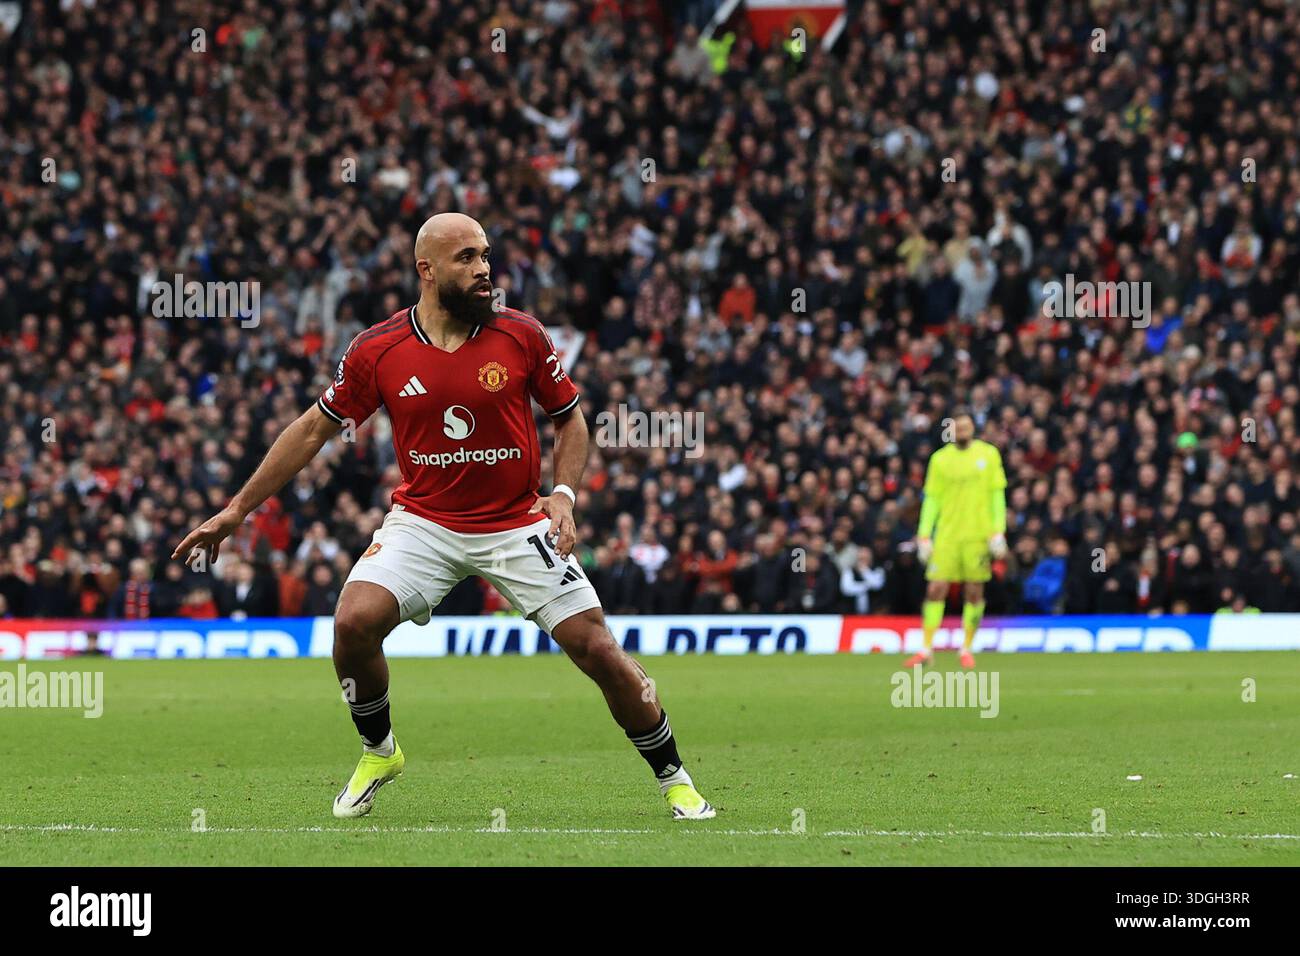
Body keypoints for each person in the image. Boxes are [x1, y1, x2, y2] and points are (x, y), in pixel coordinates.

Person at [173, 213, 713, 821]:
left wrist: (563, 494)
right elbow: (313, 429)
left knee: (597, 649)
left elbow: (570, 417)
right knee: (352, 624)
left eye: (485, 255)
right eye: (466, 258)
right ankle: (380, 751)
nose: (483, 269)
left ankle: (675, 777)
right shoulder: (378, 349)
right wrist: (236, 510)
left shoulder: (522, 336)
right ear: (426, 270)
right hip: (425, 523)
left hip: (514, 522)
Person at [907, 407, 1007, 669]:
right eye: (957, 428)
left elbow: (997, 495)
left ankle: (966, 648)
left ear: (973, 428)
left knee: (974, 591)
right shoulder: (940, 460)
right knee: (935, 588)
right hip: (947, 536)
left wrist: (998, 530)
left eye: (966, 427)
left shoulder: (988, 454)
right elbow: (932, 499)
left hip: (978, 536)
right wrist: (924, 534)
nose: (962, 432)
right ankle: (926, 648)